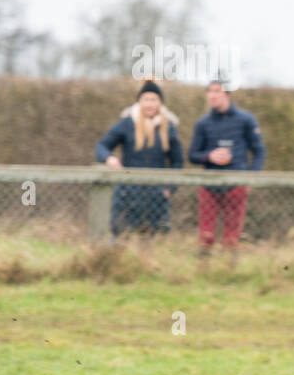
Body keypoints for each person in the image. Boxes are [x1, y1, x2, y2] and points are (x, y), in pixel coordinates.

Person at [94, 79, 183, 236]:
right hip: (127, 193)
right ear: (139, 101)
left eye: (153, 100)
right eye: (146, 99)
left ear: (160, 103)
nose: (149, 104)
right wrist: (109, 159)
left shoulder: (169, 128)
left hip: (156, 197)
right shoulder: (127, 124)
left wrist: (169, 189)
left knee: (154, 241)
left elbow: (178, 162)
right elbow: (101, 146)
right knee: (120, 238)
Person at [189, 78, 266, 255]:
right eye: (210, 91)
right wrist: (210, 156)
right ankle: (203, 271)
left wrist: (251, 177)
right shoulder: (203, 123)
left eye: (217, 91)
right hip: (209, 184)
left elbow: (259, 150)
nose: (213, 95)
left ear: (227, 94)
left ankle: (229, 271)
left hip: (236, 184)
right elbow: (192, 155)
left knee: (232, 237)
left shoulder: (246, 119)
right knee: (206, 236)